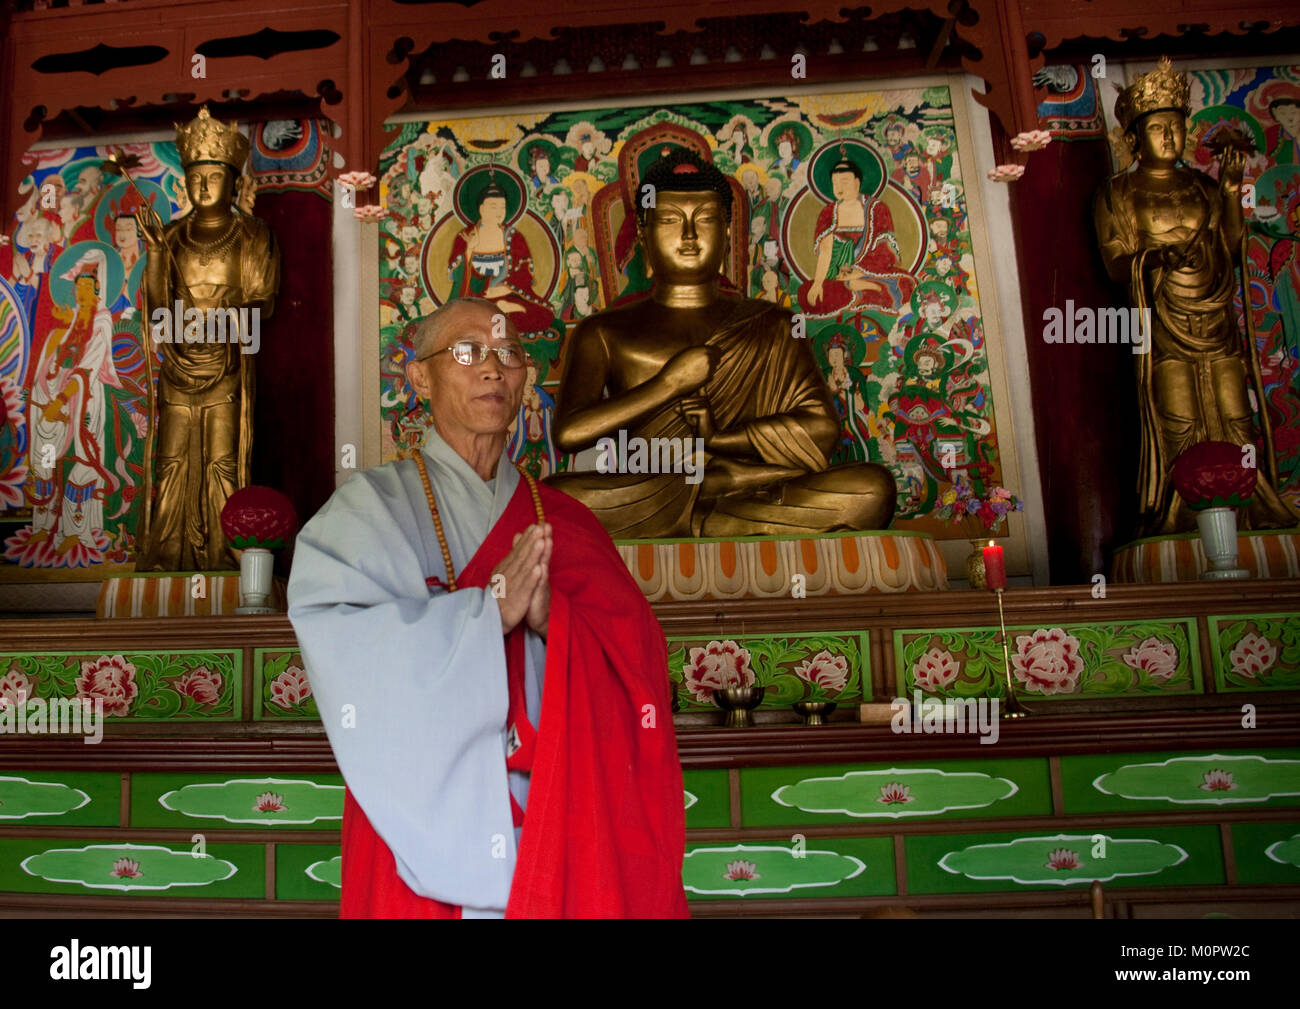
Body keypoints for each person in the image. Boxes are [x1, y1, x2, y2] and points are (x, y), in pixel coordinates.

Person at [288, 298, 688, 919]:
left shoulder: (569, 523)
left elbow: (640, 669)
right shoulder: (369, 512)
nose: (493, 369)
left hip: (556, 816)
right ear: (419, 377)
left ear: (526, 380)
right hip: (421, 829)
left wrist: (558, 621)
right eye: (469, 351)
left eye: (509, 354)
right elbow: (346, 655)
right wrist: (483, 614)